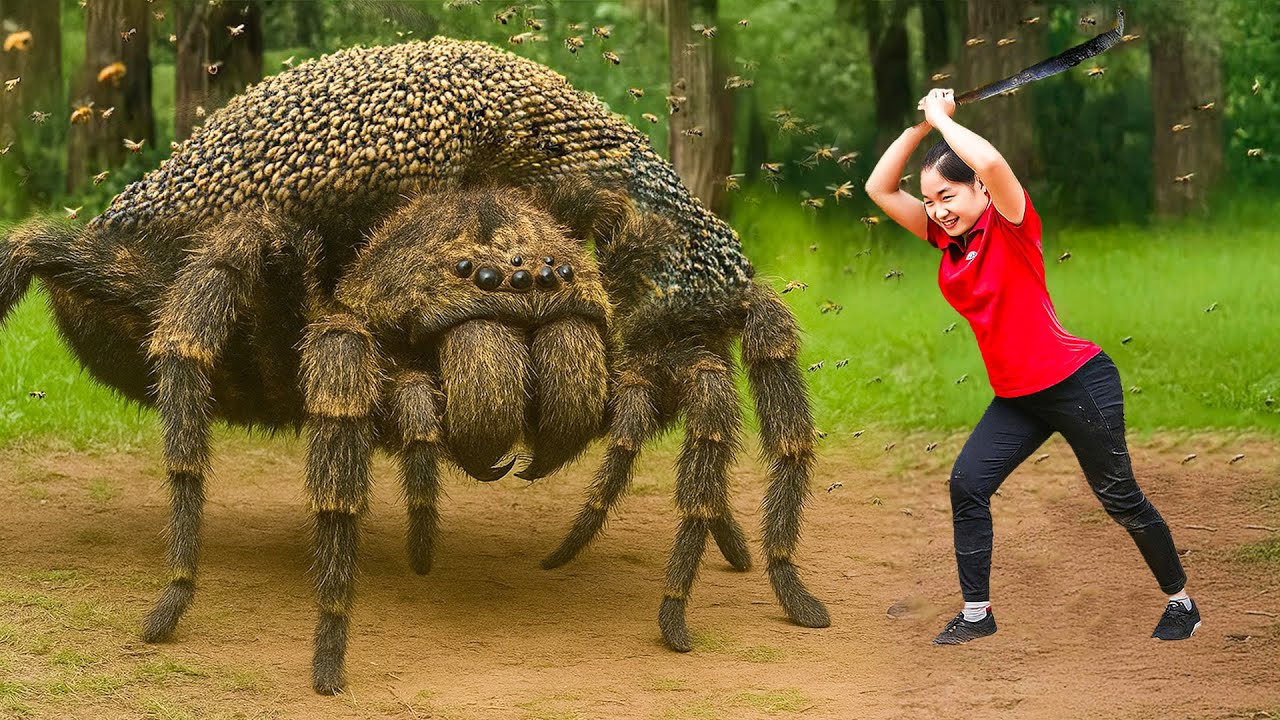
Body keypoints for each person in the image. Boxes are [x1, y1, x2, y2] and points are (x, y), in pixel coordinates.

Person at [864, 88, 1201, 645]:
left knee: (1119, 497)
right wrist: (921, 127)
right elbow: (877, 188)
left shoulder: (1012, 224)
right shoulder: (947, 241)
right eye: (929, 202)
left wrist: (944, 119)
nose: (937, 211)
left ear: (977, 190)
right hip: (1018, 397)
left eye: (947, 196)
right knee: (967, 484)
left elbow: (992, 162)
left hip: (1077, 383)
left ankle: (1181, 603)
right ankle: (978, 614)